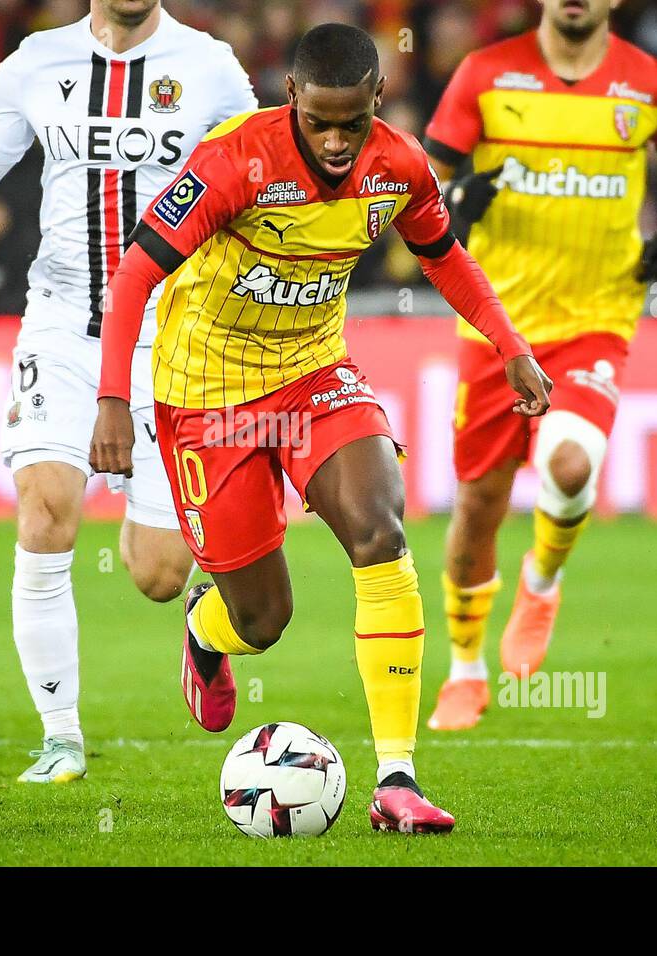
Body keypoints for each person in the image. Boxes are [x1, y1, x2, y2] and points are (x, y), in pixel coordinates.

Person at [90, 23, 551, 833]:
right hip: (208, 396)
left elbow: (444, 253)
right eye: (319, 124)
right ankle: (207, 631)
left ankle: (397, 780)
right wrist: (110, 402)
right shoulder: (236, 161)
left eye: (353, 123)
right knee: (263, 621)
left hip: (314, 375)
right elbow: (136, 272)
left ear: (379, 99)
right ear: (291, 99)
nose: (337, 143)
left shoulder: (400, 164)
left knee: (381, 530)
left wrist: (508, 345)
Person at [0, 0, 255, 784]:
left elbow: (263, 168)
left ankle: (204, 633)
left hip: (172, 336)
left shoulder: (209, 66)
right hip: (63, 323)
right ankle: (61, 737)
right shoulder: (36, 61)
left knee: (157, 574)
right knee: (44, 509)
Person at [422, 0, 657, 731]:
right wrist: (454, 199)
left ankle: (541, 582)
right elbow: (419, 180)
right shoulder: (485, 75)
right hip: (497, 326)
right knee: (478, 508)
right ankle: (464, 670)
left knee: (573, 465)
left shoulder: (652, 83)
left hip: (596, 319)